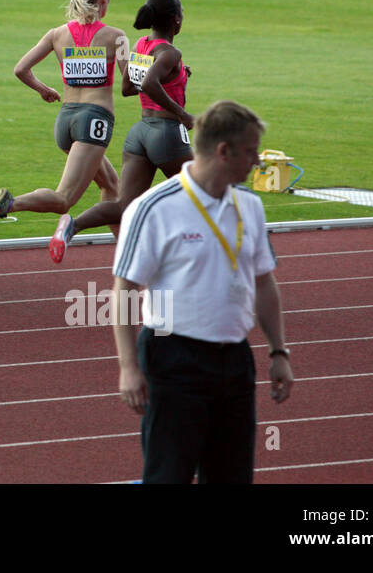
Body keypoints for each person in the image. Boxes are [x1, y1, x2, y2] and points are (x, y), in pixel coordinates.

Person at [111, 100, 292, 484]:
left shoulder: (250, 206)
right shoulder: (154, 207)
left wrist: (278, 351)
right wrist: (129, 367)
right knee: (169, 474)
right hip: (173, 357)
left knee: (231, 476)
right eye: (250, 151)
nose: (257, 161)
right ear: (223, 151)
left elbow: (264, 281)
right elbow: (125, 289)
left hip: (235, 359)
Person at [0, 0, 125, 249]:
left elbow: (21, 69)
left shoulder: (57, 35)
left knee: (111, 186)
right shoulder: (116, 37)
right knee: (64, 200)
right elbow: (131, 82)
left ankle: (124, 253)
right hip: (93, 122)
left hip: (66, 122)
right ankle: (11, 204)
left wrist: (44, 90)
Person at [48, 0, 193, 263]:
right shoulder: (171, 52)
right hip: (167, 133)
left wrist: (177, 75)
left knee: (123, 205)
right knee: (203, 189)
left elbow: (128, 87)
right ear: (176, 21)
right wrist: (182, 113)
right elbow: (150, 83)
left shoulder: (141, 44)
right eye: (182, 14)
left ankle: (72, 226)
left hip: (140, 135)